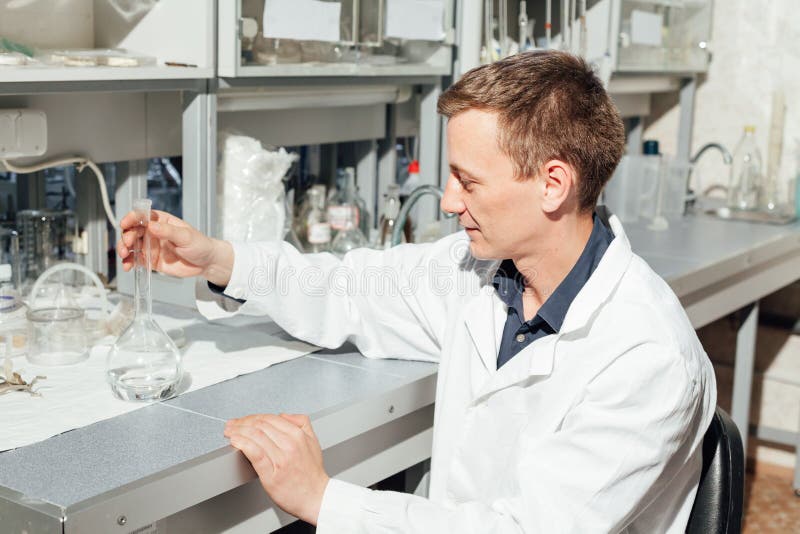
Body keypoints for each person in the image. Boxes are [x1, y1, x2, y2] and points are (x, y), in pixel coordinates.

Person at [117, 51, 716, 533]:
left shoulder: (646, 354)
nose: (450, 202)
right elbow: (350, 286)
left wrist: (326, 500)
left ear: (553, 184)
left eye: (468, 181)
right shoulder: (484, 272)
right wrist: (219, 260)